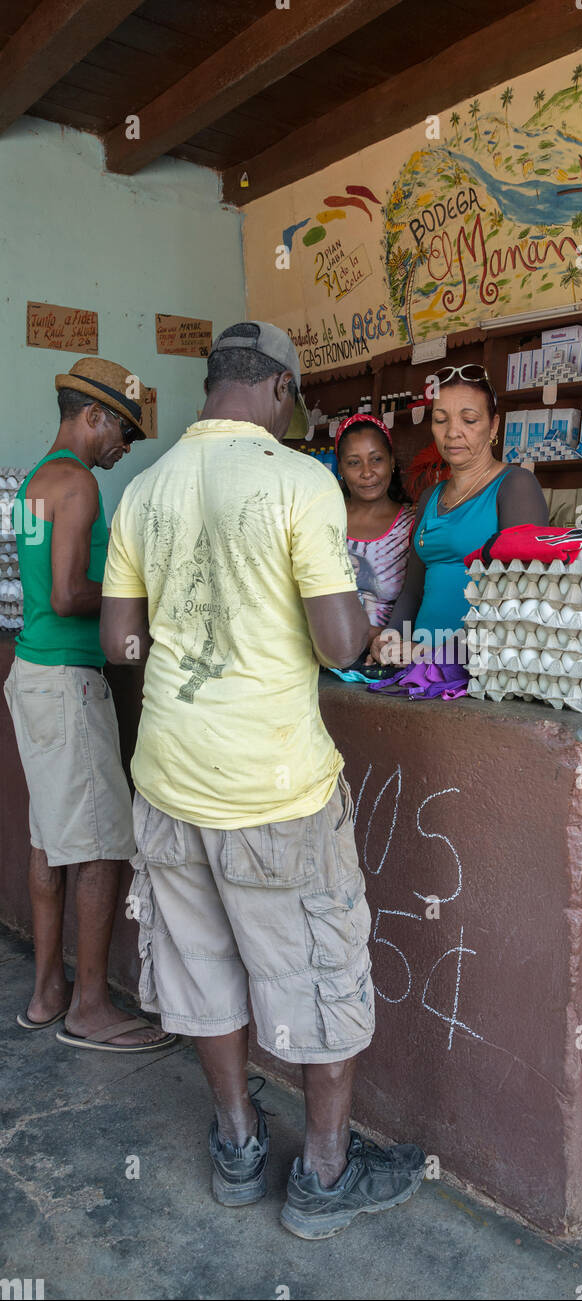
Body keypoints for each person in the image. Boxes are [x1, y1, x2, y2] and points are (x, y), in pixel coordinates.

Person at [100, 321, 425, 1237]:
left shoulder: (144, 489)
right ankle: (322, 1175)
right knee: (318, 971)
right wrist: (362, 629)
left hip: (166, 778)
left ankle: (239, 1147)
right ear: (280, 391)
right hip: (274, 787)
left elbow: (119, 643)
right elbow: (336, 643)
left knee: (202, 969)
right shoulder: (297, 481)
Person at [4, 357, 173, 1053]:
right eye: (123, 432)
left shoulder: (36, 481)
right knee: (102, 847)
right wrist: (140, 592)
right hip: (70, 682)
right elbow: (73, 594)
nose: (124, 448)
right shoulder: (76, 484)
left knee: (50, 839)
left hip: (33, 671)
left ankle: (48, 993)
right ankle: (92, 1008)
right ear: (92, 416)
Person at [370, 364, 549, 666]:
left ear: (493, 426)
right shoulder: (430, 497)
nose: (452, 432)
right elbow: (413, 591)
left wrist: (438, 653)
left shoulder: (516, 486)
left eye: (469, 420)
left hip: (482, 669)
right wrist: (391, 637)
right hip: (418, 667)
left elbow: (521, 605)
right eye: (441, 420)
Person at [334, 413, 414, 658]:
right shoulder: (325, 517)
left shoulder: (412, 526)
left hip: (387, 658)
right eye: (354, 462)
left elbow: (417, 596)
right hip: (323, 655)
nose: (367, 472)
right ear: (341, 470)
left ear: (391, 461)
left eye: (376, 459)